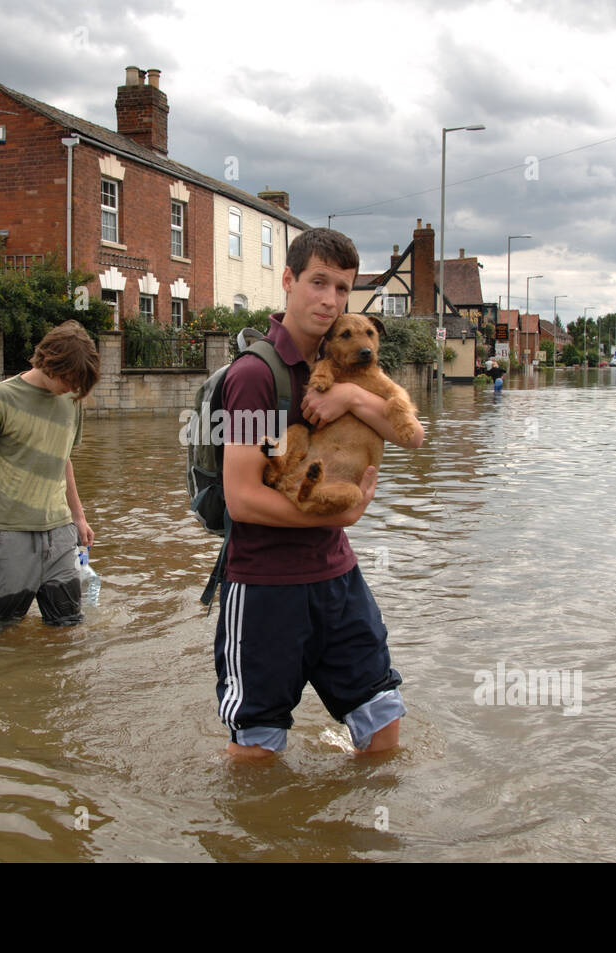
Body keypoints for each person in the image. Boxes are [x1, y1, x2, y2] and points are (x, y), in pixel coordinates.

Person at [215, 228, 425, 759]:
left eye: (342, 288)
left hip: (336, 577)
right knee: (258, 750)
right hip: (266, 588)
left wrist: (351, 395)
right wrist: (344, 516)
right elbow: (241, 499)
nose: (330, 300)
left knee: (382, 725)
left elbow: (412, 436)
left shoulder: (345, 362)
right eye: (317, 283)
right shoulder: (254, 376)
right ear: (288, 280)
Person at [0, 320, 100, 626]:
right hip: (10, 533)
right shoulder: (1, 398)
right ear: (50, 362)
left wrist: (79, 517)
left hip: (60, 533)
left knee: (68, 628)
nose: (74, 389)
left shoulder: (72, 402)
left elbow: (64, 459)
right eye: (71, 379)